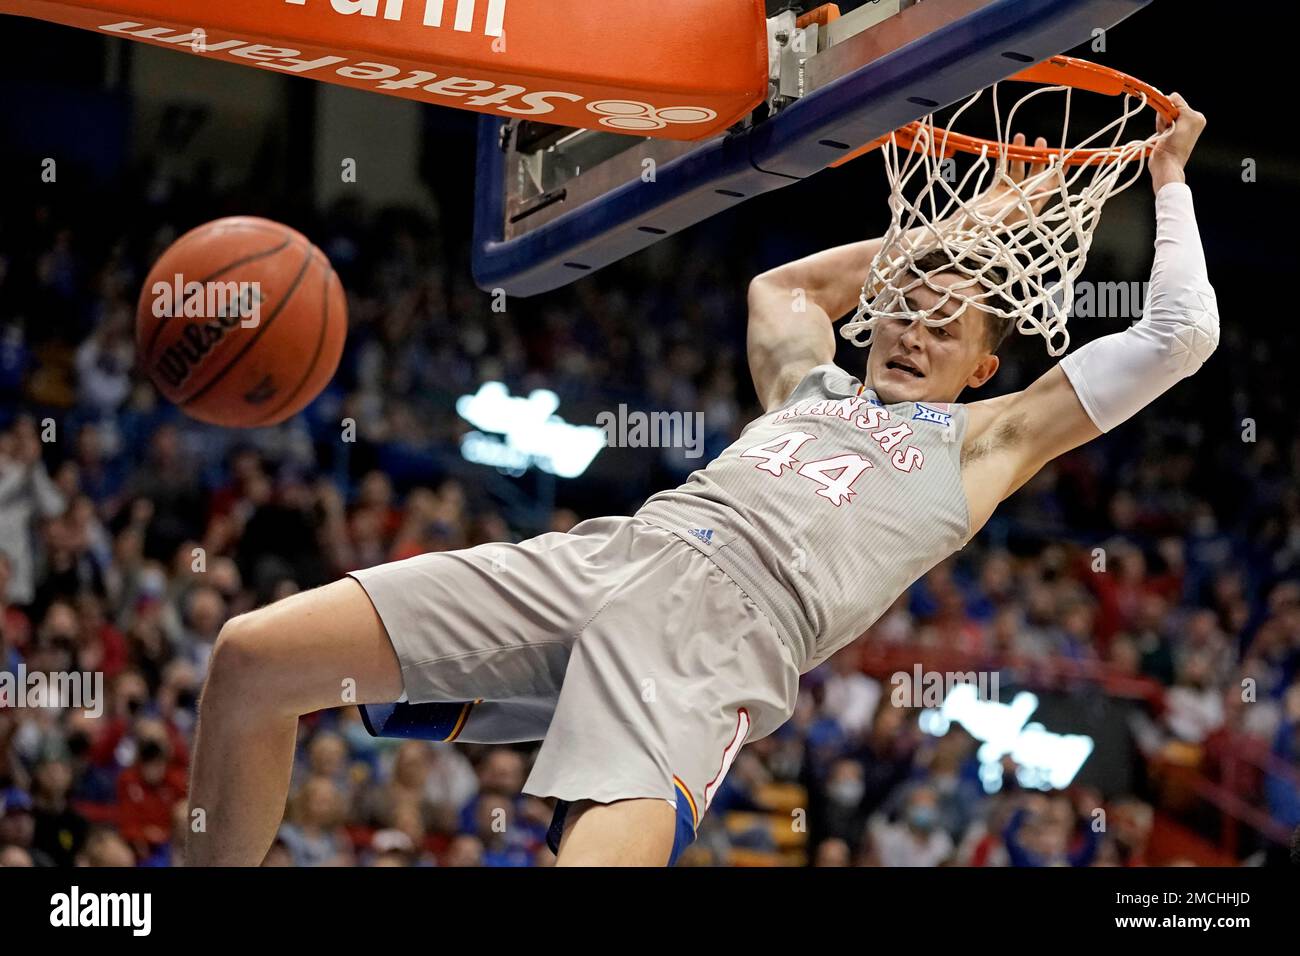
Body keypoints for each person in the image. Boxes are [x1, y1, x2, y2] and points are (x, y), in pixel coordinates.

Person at [186, 95, 1215, 866]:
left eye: (946, 322)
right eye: (903, 302)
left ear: (983, 367)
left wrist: (1167, 180)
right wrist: (956, 234)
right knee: (250, 656)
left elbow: (1179, 335)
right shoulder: (803, 383)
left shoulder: (987, 438)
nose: (913, 324)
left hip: (719, 641)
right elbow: (786, 286)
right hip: (615, 552)